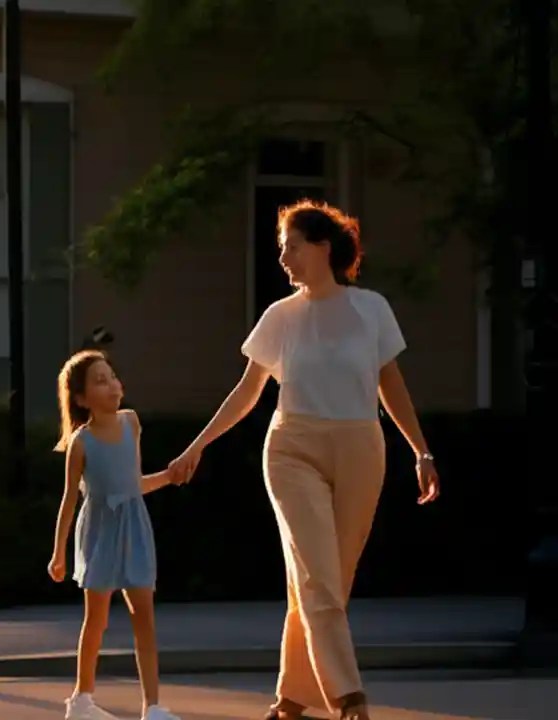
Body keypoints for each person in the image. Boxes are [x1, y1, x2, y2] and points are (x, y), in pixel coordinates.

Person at [167, 200, 441, 720]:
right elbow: (247, 392)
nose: (283, 257)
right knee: (318, 577)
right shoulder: (281, 317)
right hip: (292, 448)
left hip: (362, 448)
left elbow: (392, 384)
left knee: (324, 581)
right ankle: (348, 696)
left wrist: (420, 450)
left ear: (322, 247)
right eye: (280, 248)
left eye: (291, 245)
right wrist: (196, 445)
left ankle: (291, 699)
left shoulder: (372, 309)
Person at [49, 350, 184, 720]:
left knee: (145, 618)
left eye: (112, 376)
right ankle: (80, 700)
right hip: (99, 533)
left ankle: (152, 707)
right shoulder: (81, 443)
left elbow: (133, 484)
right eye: (99, 380)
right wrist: (58, 553)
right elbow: (68, 501)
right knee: (97, 619)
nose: (111, 384)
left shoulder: (132, 423)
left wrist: (168, 478)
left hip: (134, 527)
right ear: (80, 399)